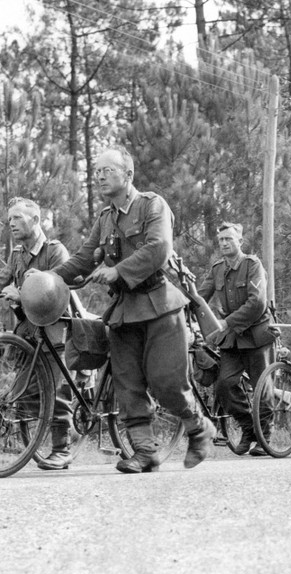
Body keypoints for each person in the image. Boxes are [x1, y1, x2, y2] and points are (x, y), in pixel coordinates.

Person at [50, 146, 215, 473]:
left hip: (160, 306)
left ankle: (199, 428)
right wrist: (49, 277)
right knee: (127, 384)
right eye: (96, 171)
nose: (99, 176)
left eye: (107, 170)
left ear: (128, 175)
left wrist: (118, 271)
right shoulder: (106, 218)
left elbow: (159, 248)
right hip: (124, 312)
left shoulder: (152, 206)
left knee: (166, 381)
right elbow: (84, 258)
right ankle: (144, 451)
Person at [0, 197, 74, 470]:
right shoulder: (17, 254)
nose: (10, 223)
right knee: (25, 389)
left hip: (54, 328)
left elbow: (58, 290)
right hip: (27, 330)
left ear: (36, 220)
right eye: (9, 219)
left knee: (55, 387)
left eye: (17, 218)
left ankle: (62, 448)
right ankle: (34, 443)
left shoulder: (55, 251)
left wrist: (22, 293)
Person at [197, 222, 274, 457]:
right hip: (232, 339)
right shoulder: (218, 269)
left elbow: (257, 303)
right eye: (221, 240)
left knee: (262, 386)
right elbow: (201, 297)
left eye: (229, 239)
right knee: (224, 385)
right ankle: (249, 428)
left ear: (240, 241)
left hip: (257, 334)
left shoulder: (253, 265)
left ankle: (265, 437)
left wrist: (226, 322)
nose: (224, 243)